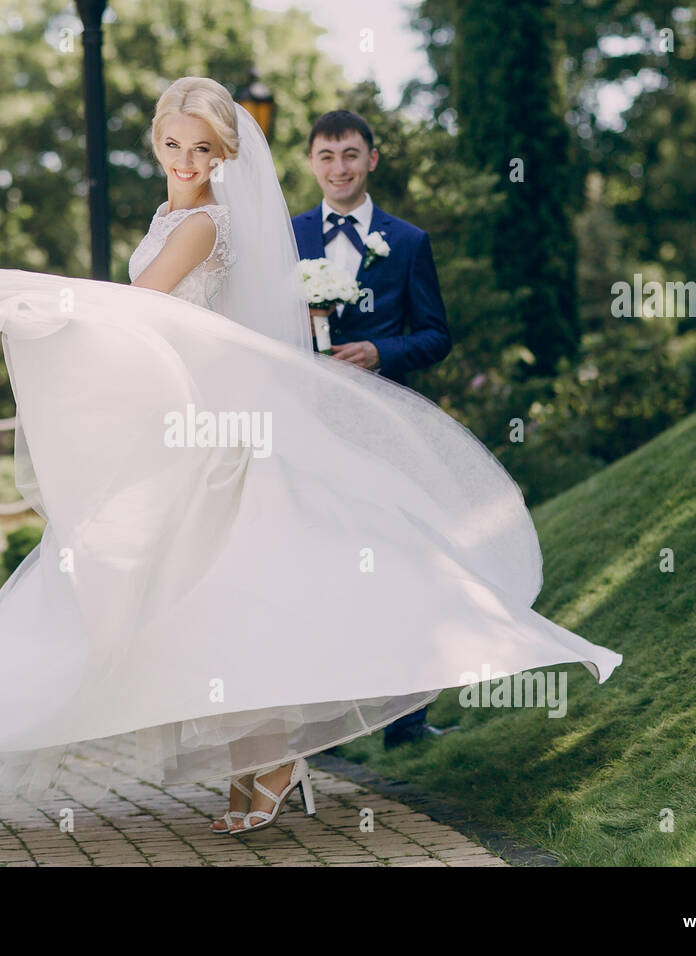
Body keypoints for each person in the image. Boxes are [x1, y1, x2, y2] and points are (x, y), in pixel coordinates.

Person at [0, 77, 622, 838]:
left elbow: (137, 305)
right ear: (156, 141)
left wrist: (22, 301)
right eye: (172, 144)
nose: (186, 160)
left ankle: (272, 759)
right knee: (217, 595)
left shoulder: (203, 225)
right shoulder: (167, 213)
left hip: (215, 423)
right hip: (185, 416)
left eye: (202, 148)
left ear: (223, 154)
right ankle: (261, 758)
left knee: (234, 583)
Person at [292, 109, 451, 748]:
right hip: (306, 430)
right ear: (312, 163)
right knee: (316, 567)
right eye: (327, 156)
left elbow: (437, 334)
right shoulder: (286, 237)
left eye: (351, 155)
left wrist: (381, 353)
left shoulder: (407, 242)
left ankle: (404, 719)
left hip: (386, 429)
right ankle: (319, 722)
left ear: (372, 160)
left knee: (399, 565)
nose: (339, 168)